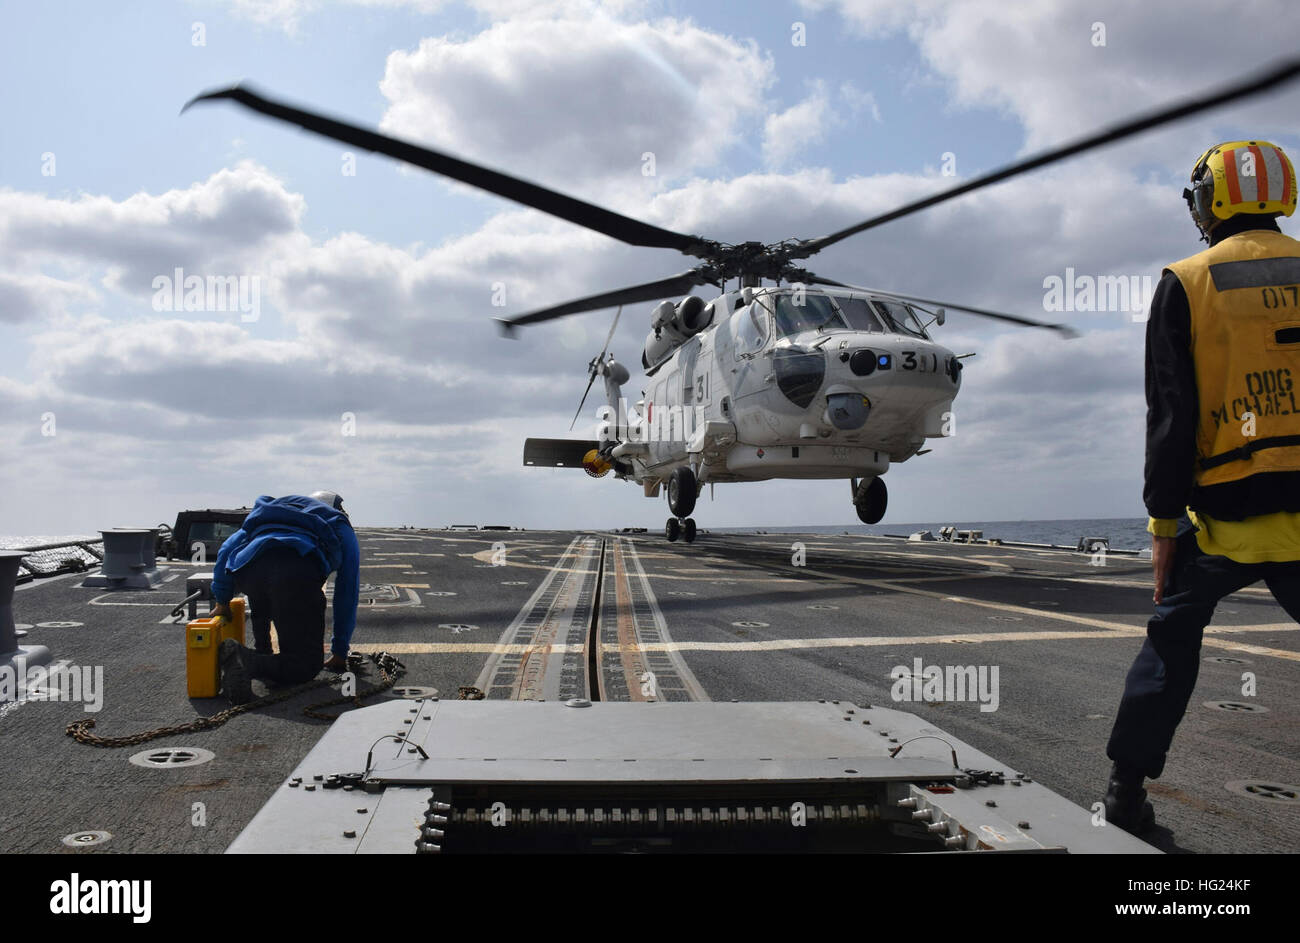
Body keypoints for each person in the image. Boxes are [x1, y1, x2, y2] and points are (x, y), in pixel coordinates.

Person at [1104, 141, 1300, 833]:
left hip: (1222, 518)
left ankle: (1126, 791)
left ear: (1211, 200)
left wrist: (1162, 529)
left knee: (1170, 645)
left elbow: (1170, 416)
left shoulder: (1185, 280)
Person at [210, 492, 360, 704]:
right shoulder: (337, 522)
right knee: (305, 666)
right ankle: (247, 661)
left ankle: (263, 655)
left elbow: (227, 548)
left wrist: (222, 601)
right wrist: (339, 650)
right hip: (295, 573)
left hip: (248, 571)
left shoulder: (274, 512)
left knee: (263, 586)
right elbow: (347, 590)